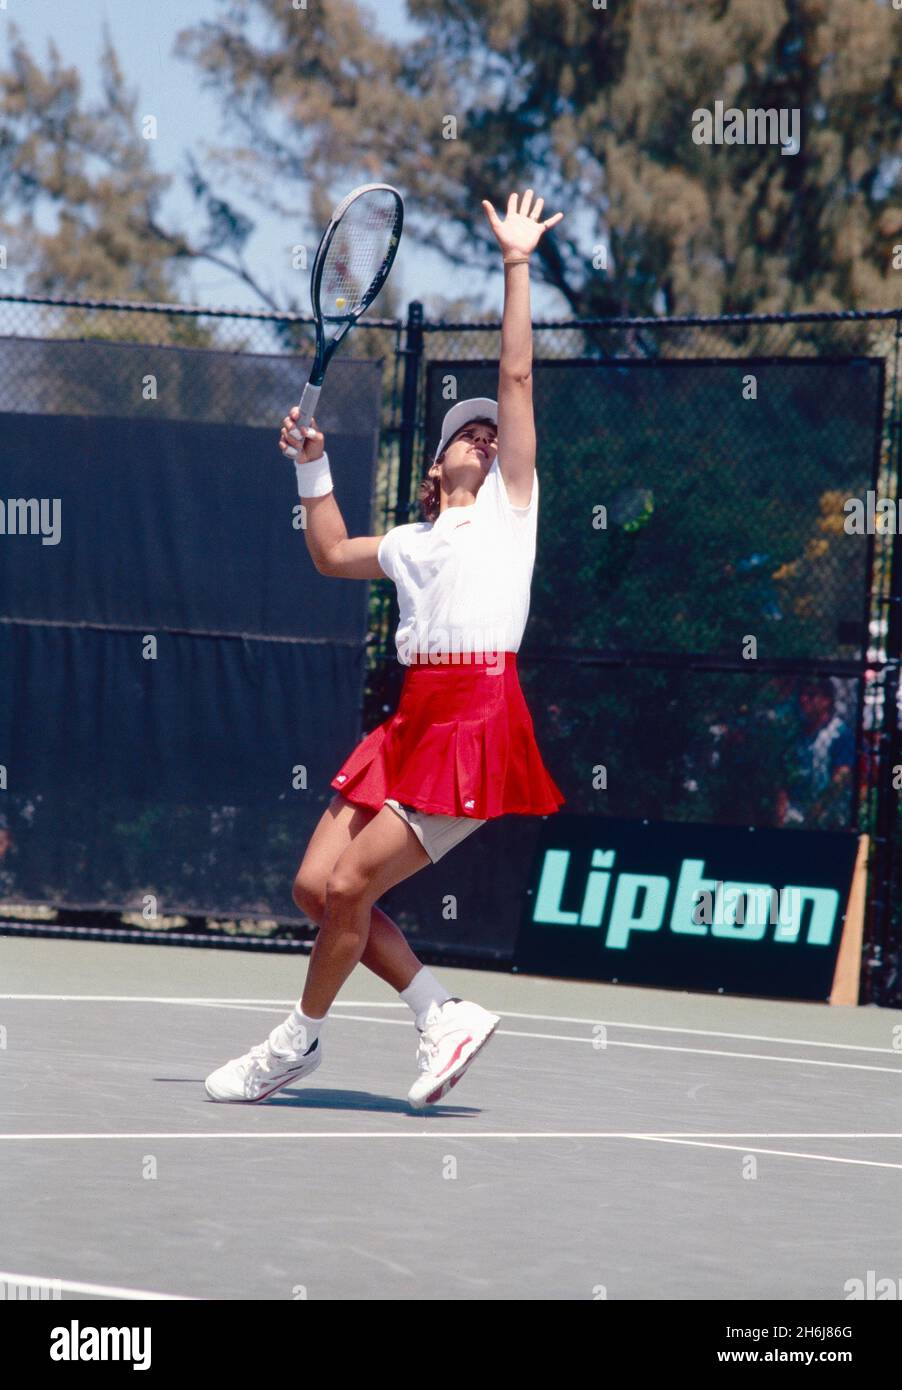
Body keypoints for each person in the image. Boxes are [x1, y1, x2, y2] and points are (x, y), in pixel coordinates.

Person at [206, 190, 565, 1108]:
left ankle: (297, 1040)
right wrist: (311, 463)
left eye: (495, 436)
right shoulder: (410, 543)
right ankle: (440, 1012)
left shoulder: (510, 514)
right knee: (314, 889)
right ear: (438, 460)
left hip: (475, 719)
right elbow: (330, 552)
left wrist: (516, 263)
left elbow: (517, 379)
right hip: (409, 722)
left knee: (353, 890)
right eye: (469, 433)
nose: (487, 438)